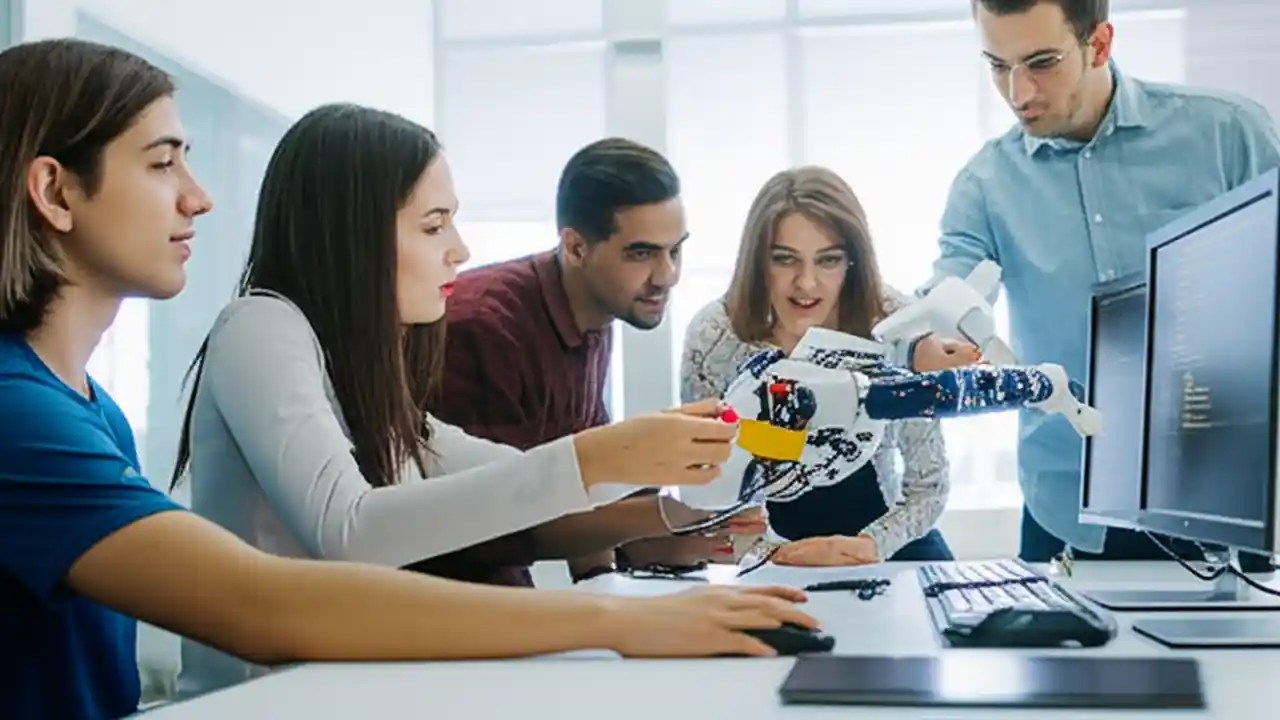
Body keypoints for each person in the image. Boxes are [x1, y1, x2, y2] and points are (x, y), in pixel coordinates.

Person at [0, 38, 817, 720]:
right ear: (54, 191)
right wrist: (612, 598)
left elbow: (489, 469)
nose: (200, 199)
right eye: (161, 164)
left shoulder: (91, 408)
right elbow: (320, 557)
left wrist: (669, 485)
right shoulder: (227, 336)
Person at [170, 104, 781, 693]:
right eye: (434, 225)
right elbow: (349, 531)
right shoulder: (260, 326)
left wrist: (661, 467)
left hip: (341, 688)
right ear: (353, 234)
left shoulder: (355, 364)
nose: (459, 249)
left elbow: (502, 474)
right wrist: (605, 458)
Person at [914, 0, 1280, 564]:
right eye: (997, 65)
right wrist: (928, 341)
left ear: (1100, 45)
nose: (1018, 93)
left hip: (1224, 501)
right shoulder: (985, 183)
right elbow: (949, 285)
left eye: (1041, 62)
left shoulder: (1229, 134)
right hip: (1065, 510)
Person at [437, 138, 762, 583]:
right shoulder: (484, 329)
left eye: (676, 250)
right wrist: (672, 513)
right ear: (575, 248)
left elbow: (585, 487)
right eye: (642, 253)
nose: (667, 276)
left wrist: (680, 537)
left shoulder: (598, 306)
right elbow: (499, 526)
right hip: (448, 600)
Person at [681, 166, 954, 566]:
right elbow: (701, 479)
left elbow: (928, 485)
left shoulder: (899, 324)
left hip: (888, 543)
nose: (806, 284)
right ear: (757, 262)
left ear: (852, 263)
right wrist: (769, 552)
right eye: (784, 260)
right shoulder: (714, 335)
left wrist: (870, 546)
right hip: (765, 555)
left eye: (828, 261)